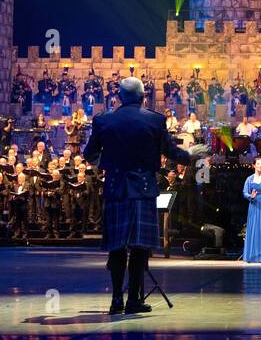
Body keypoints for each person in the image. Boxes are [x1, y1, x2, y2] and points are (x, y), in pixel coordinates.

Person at [84, 77, 207, 315]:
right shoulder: (154, 120)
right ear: (143, 97)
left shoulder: (103, 121)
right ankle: (133, 301)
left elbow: (89, 154)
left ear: (118, 97)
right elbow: (173, 154)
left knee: (117, 248)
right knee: (140, 248)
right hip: (142, 189)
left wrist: (108, 166)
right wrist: (191, 153)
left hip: (116, 189)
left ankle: (116, 300)